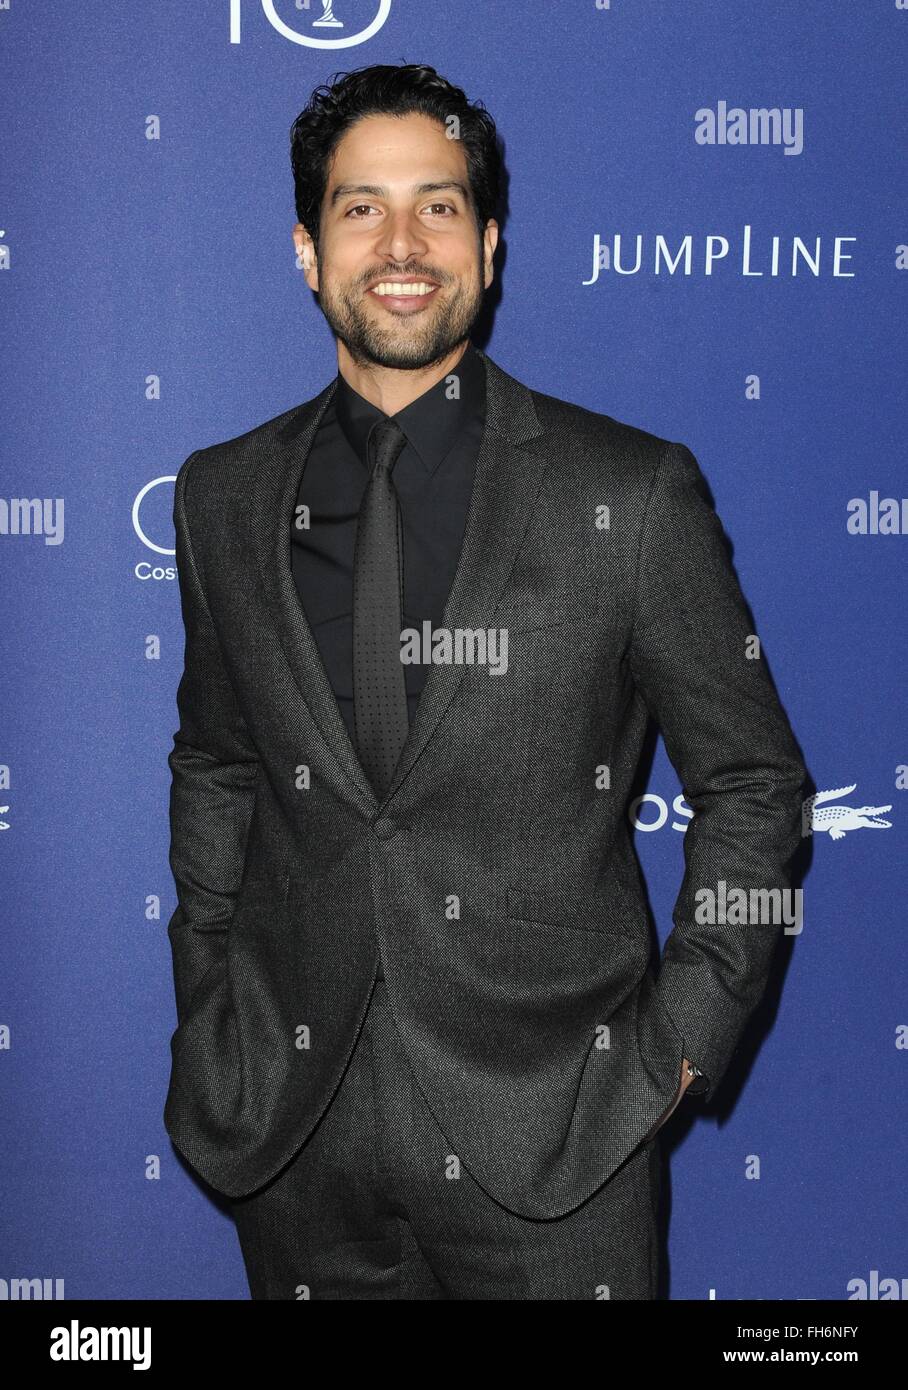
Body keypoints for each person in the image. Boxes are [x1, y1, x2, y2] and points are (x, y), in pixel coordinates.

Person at [163, 63, 808, 1300]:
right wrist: (210, 1006)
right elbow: (218, 765)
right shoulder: (222, 494)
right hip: (293, 1137)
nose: (401, 243)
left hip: (561, 1141)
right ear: (307, 249)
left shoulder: (627, 493)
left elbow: (752, 784)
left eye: (439, 205)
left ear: (490, 243)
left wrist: (680, 1044)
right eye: (360, 208)